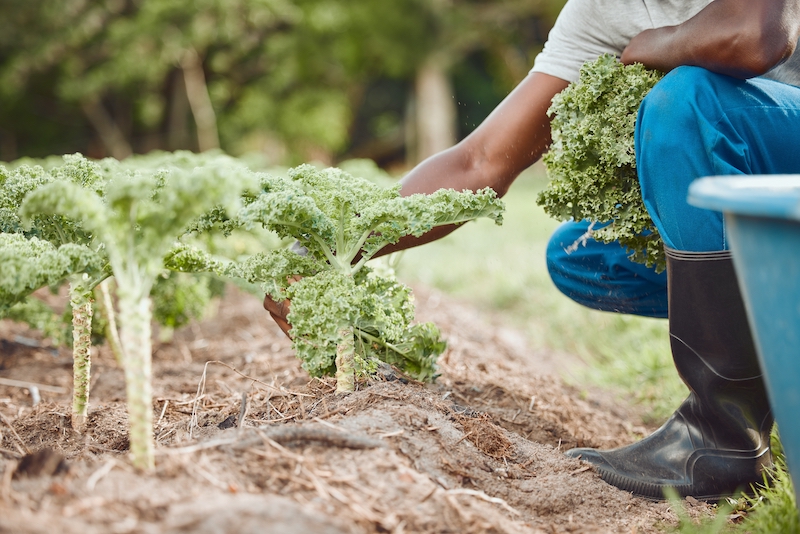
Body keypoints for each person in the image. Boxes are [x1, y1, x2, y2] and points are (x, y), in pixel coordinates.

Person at [265, 0, 800, 500]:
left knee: (687, 101)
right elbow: (481, 162)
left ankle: (721, 437)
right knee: (584, 255)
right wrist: (332, 247)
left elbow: (753, 35)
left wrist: (659, 42)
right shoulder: (600, 11)